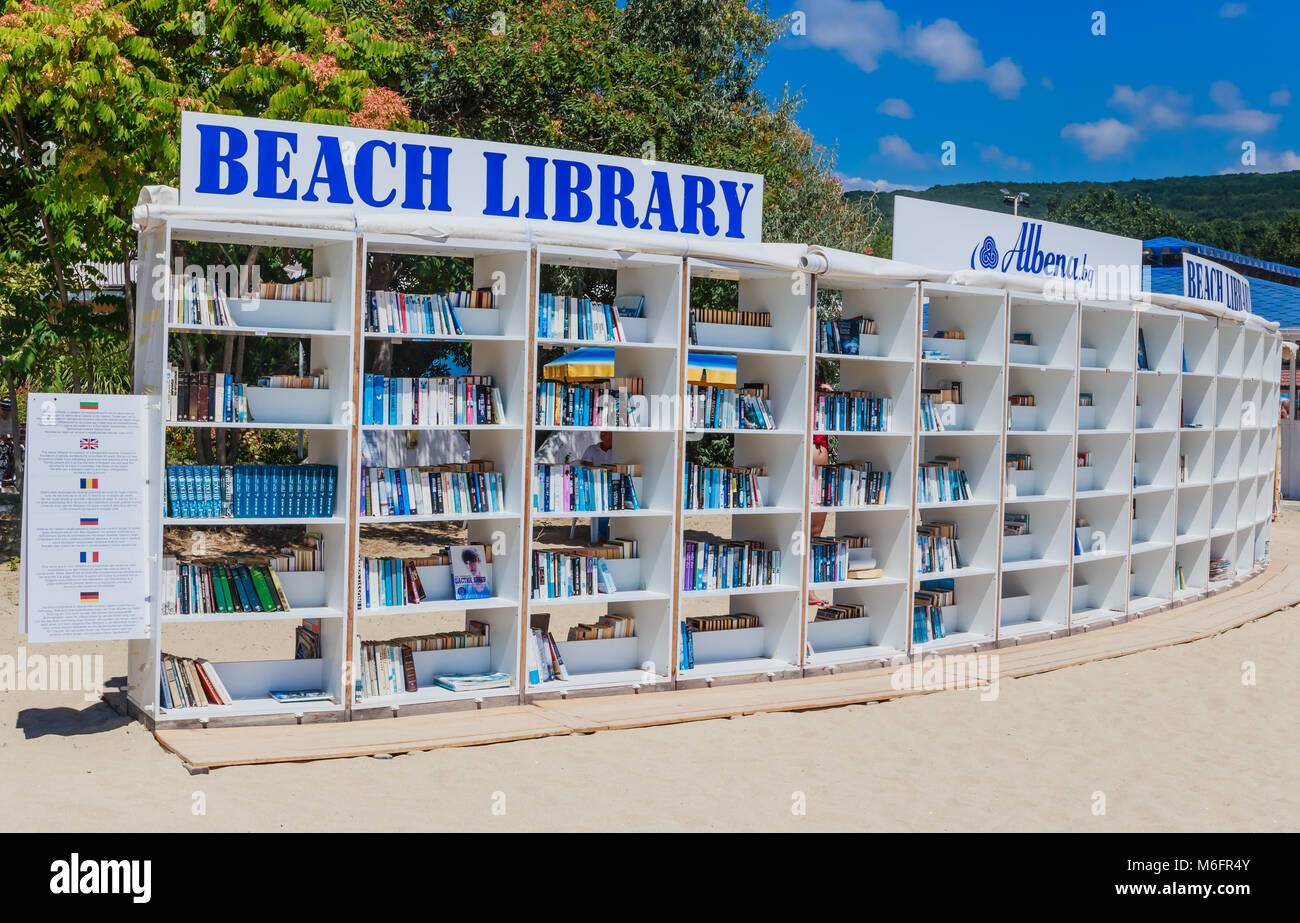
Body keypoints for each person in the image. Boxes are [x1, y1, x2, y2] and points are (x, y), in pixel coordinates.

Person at [809, 370, 834, 607]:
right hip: (807, 469)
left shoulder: (823, 398)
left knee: (815, 534)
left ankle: (810, 590)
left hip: (820, 474)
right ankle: (807, 590)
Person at [579, 430, 614, 543]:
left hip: (613, 483)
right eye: (602, 432)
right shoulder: (592, 449)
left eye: (607, 432)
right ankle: (600, 535)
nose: (602, 434)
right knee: (602, 502)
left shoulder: (620, 449)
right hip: (596, 484)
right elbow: (586, 468)